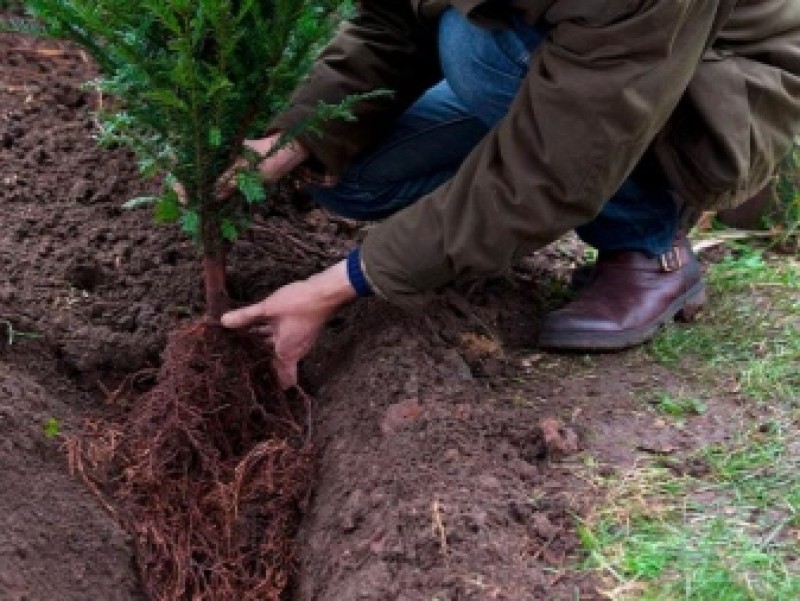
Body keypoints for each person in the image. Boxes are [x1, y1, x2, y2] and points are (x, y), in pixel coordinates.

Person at [221, 0, 800, 388]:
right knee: (357, 178)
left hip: (704, 88)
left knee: (473, 46)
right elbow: (393, 20)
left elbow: (555, 167)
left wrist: (339, 283)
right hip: (569, 67)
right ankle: (497, 168)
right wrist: (296, 140)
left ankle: (647, 242)